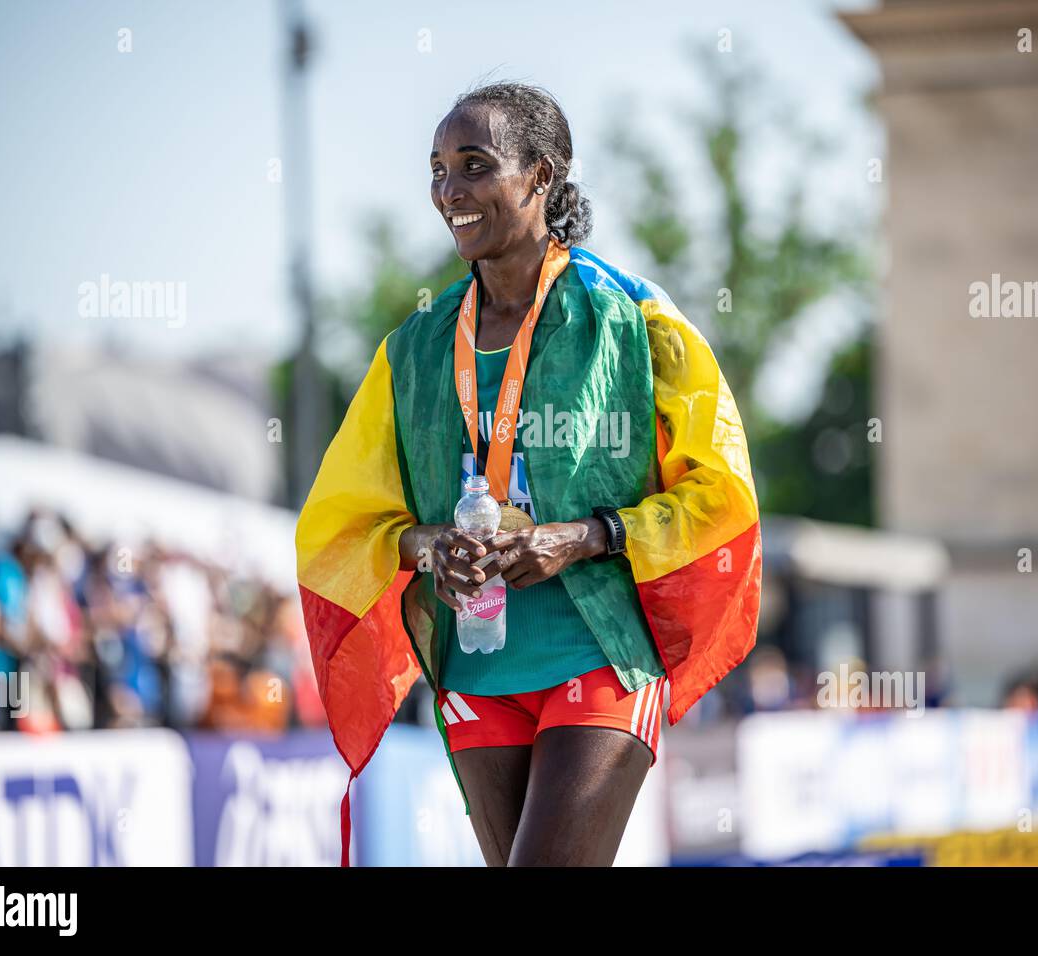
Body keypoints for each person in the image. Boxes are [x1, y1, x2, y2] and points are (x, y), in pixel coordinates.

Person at [296, 81, 762, 866]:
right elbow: (342, 524)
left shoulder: (635, 321)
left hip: (600, 653)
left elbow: (721, 497)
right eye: (438, 169)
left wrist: (584, 537)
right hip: (474, 665)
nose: (450, 191)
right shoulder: (410, 349)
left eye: (474, 165)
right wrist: (428, 547)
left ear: (541, 176)